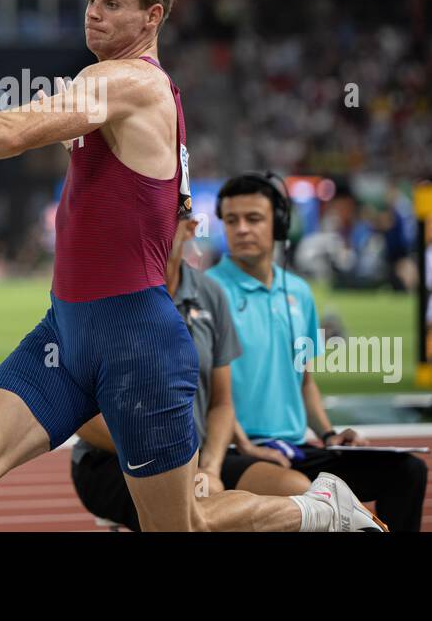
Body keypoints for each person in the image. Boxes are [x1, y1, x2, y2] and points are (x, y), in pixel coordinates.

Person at [0, 0, 383, 532]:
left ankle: (320, 510)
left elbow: (14, 132)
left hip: (137, 339)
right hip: (67, 328)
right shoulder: (100, 86)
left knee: (181, 525)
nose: (95, 12)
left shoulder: (133, 84)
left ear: (153, 17)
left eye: (113, 3)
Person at [206, 172, 428, 531]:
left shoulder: (299, 292)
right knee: (315, 499)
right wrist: (243, 444)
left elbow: (303, 379)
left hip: (296, 449)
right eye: (232, 221)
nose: (242, 229)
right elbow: (206, 392)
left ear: (278, 224)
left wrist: (328, 434)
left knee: (407, 472)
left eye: (254, 218)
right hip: (236, 452)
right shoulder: (207, 292)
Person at [69, 214, 311, 531]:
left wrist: (210, 466)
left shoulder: (209, 293)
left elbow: (222, 403)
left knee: (298, 490)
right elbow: (81, 416)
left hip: (196, 456)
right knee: (205, 504)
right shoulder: (102, 295)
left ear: (191, 228)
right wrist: (167, 458)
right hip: (113, 459)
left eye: (158, 221)